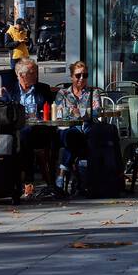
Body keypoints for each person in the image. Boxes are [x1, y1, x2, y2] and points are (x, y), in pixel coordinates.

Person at [0, 58, 55, 197]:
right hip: (15, 133)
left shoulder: (43, 89)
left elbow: (50, 111)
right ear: (21, 75)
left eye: (36, 72)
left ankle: (27, 181)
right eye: (32, 72)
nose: (36, 75)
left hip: (39, 131)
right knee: (22, 137)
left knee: (26, 135)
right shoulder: (9, 91)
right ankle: (24, 181)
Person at [53, 60, 102, 195]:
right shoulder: (63, 93)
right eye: (78, 75)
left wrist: (78, 112)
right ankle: (78, 179)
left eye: (85, 75)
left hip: (86, 129)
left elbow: (97, 111)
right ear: (71, 77)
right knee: (71, 136)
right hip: (68, 129)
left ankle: (62, 175)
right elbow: (58, 112)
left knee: (75, 141)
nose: (81, 78)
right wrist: (82, 112)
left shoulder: (93, 92)